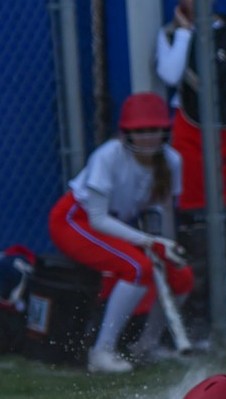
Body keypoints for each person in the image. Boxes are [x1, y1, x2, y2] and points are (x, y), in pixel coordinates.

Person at [47, 93, 194, 373]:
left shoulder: (172, 161)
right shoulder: (109, 155)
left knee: (181, 276)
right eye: (139, 131)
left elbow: (161, 212)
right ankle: (102, 352)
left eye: (154, 129)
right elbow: (97, 219)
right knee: (137, 268)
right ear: (127, 132)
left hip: (121, 227)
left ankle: (146, 346)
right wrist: (148, 241)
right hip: (74, 220)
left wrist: (165, 245)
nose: (148, 136)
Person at [154, 0, 226, 337]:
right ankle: (198, 314)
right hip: (193, 133)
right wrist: (184, 33)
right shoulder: (172, 34)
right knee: (196, 223)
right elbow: (169, 74)